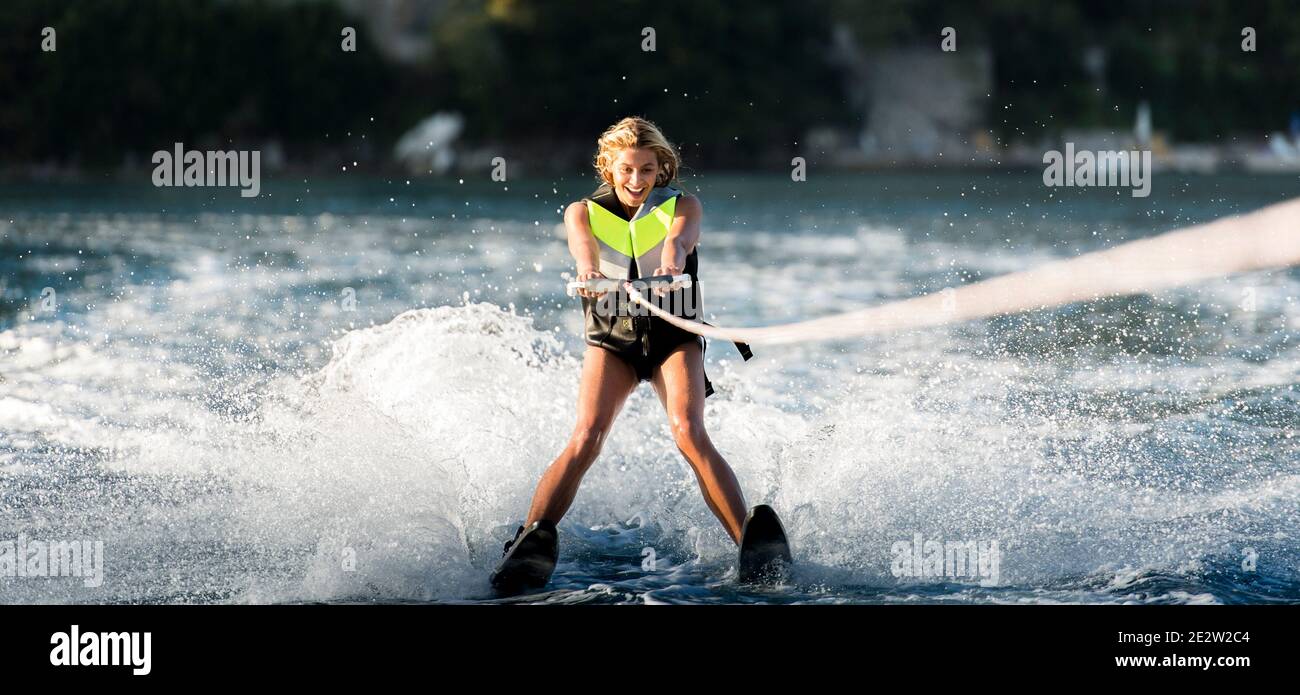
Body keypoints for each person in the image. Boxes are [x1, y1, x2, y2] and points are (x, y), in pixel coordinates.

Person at [496, 117, 778, 581]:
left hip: (673, 335)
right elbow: (582, 248)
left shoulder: (683, 205)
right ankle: (528, 539)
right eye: (627, 169)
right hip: (613, 339)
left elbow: (679, 241)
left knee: (688, 431)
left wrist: (670, 267)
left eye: (647, 170)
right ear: (608, 167)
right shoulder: (581, 211)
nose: (636, 180)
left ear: (660, 168)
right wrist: (587, 273)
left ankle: (749, 549)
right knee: (587, 436)